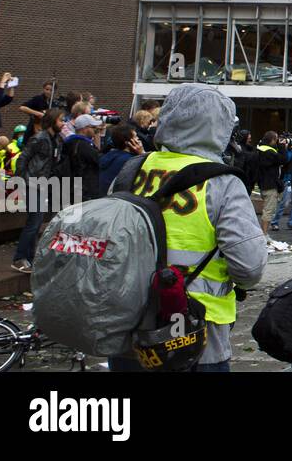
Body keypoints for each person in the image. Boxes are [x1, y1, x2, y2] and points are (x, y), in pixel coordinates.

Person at [108, 83, 268, 372]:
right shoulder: (222, 183)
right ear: (219, 127)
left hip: (128, 330)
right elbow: (250, 268)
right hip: (195, 336)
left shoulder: (132, 170)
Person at [11, 108, 66, 273]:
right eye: (61, 120)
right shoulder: (39, 138)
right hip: (32, 183)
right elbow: (23, 158)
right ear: (52, 121)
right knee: (33, 222)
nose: (63, 124)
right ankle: (19, 258)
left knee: (36, 222)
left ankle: (29, 257)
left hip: (43, 184)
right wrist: (23, 180)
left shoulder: (56, 139)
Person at [65, 114, 104, 202]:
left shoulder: (70, 142)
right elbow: (98, 160)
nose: (96, 129)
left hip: (72, 188)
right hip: (84, 191)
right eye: (93, 127)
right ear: (85, 128)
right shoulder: (84, 146)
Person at [254, 132, 287, 234]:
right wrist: (282, 147)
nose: (277, 141)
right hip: (271, 186)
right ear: (272, 140)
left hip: (263, 184)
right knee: (268, 211)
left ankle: (264, 233)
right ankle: (264, 234)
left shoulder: (260, 149)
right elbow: (283, 160)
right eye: (276, 139)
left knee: (267, 210)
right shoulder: (269, 152)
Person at [98, 124, 144, 195]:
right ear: (128, 142)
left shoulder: (109, 155)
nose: (138, 139)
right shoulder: (130, 160)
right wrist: (142, 153)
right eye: (135, 137)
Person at [271, 135, 292, 231]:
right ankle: (274, 222)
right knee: (283, 203)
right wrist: (286, 148)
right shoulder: (286, 151)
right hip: (288, 179)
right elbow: (286, 160)